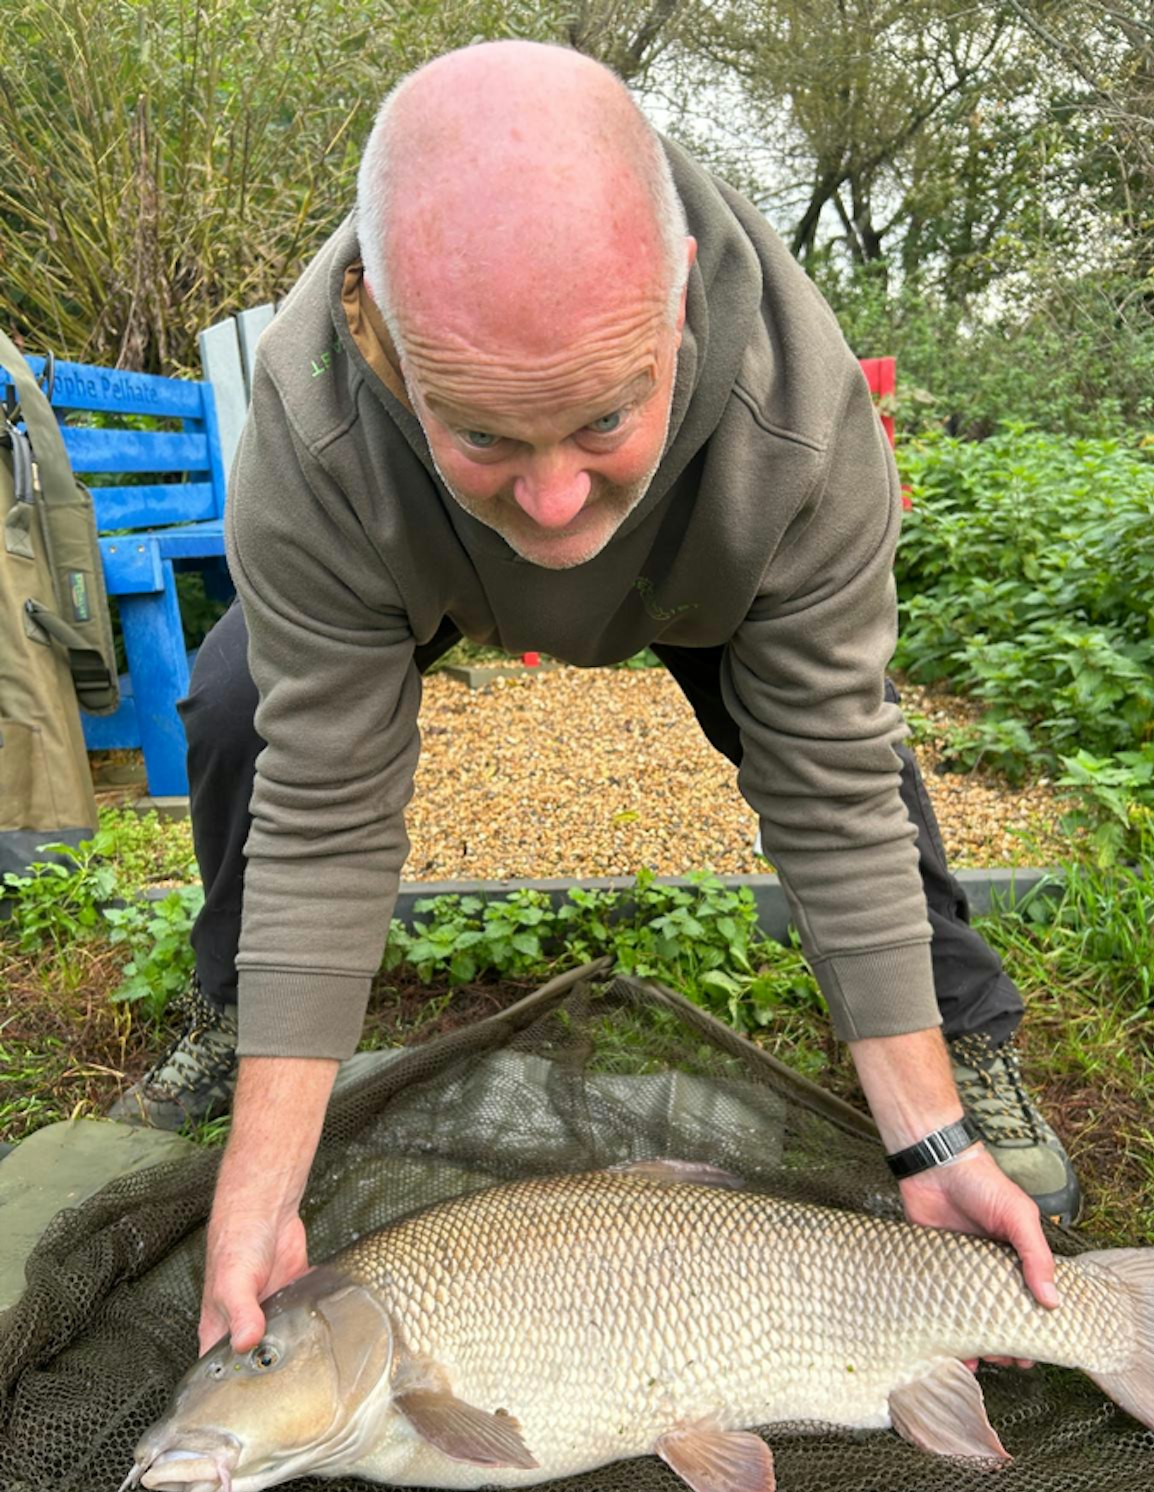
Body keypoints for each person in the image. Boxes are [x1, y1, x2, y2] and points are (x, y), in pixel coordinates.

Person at [107, 40, 1079, 1358]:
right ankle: (241, 1018)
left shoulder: (797, 417)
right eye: (488, 432)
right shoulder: (309, 425)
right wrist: (265, 1184)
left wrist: (929, 1137)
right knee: (236, 714)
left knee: (848, 739)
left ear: (676, 296)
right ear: (381, 337)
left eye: (603, 420)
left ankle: (963, 1046)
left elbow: (829, 785)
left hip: (701, 584)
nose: (555, 502)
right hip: (426, 574)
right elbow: (329, 811)